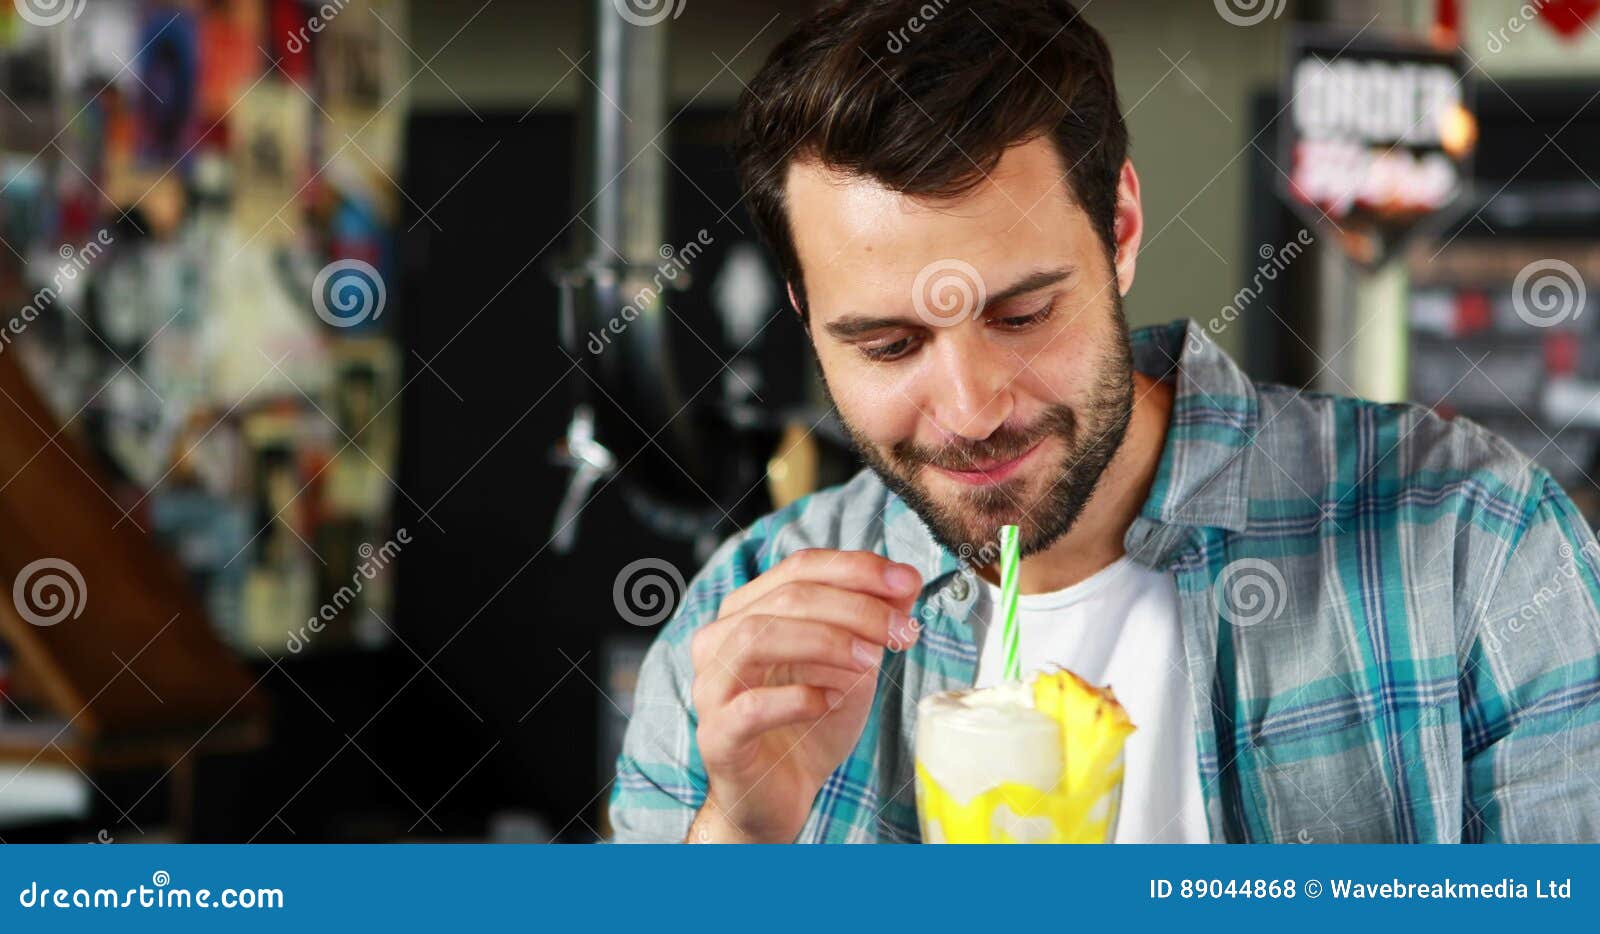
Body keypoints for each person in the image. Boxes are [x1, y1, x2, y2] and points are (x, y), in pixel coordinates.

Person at [610, 0, 1600, 843]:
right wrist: (741, 840)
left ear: (1120, 231)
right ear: (804, 313)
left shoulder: (1473, 546)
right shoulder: (735, 627)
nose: (971, 412)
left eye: (1022, 315)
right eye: (888, 345)